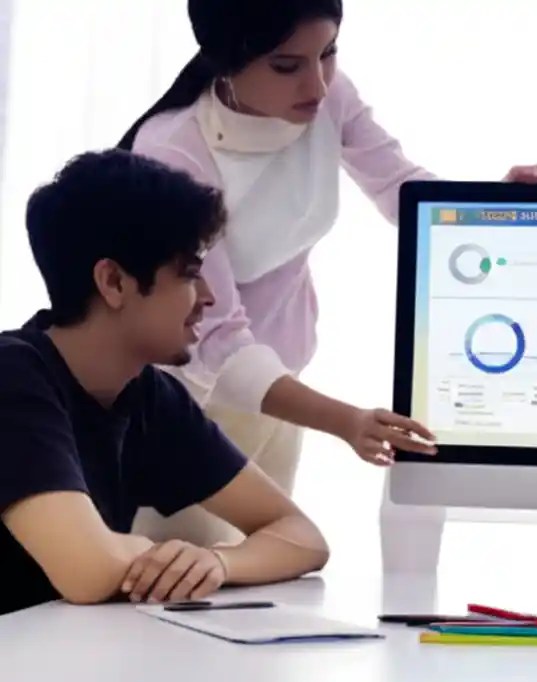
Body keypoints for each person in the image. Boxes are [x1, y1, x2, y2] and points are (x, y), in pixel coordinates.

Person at [118, 0, 537, 546]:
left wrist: (503, 205)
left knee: (259, 584)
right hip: (185, 406)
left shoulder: (326, 101)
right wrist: (348, 421)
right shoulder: (174, 150)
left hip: (278, 396)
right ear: (226, 59)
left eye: (329, 53)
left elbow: (403, 190)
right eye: (287, 66)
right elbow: (219, 343)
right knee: (180, 592)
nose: (317, 84)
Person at [0, 150, 330, 616]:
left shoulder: (150, 394)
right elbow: (88, 570)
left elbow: (302, 537)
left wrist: (215, 561)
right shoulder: (13, 376)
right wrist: (163, 556)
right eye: (190, 274)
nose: (209, 297)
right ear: (114, 282)